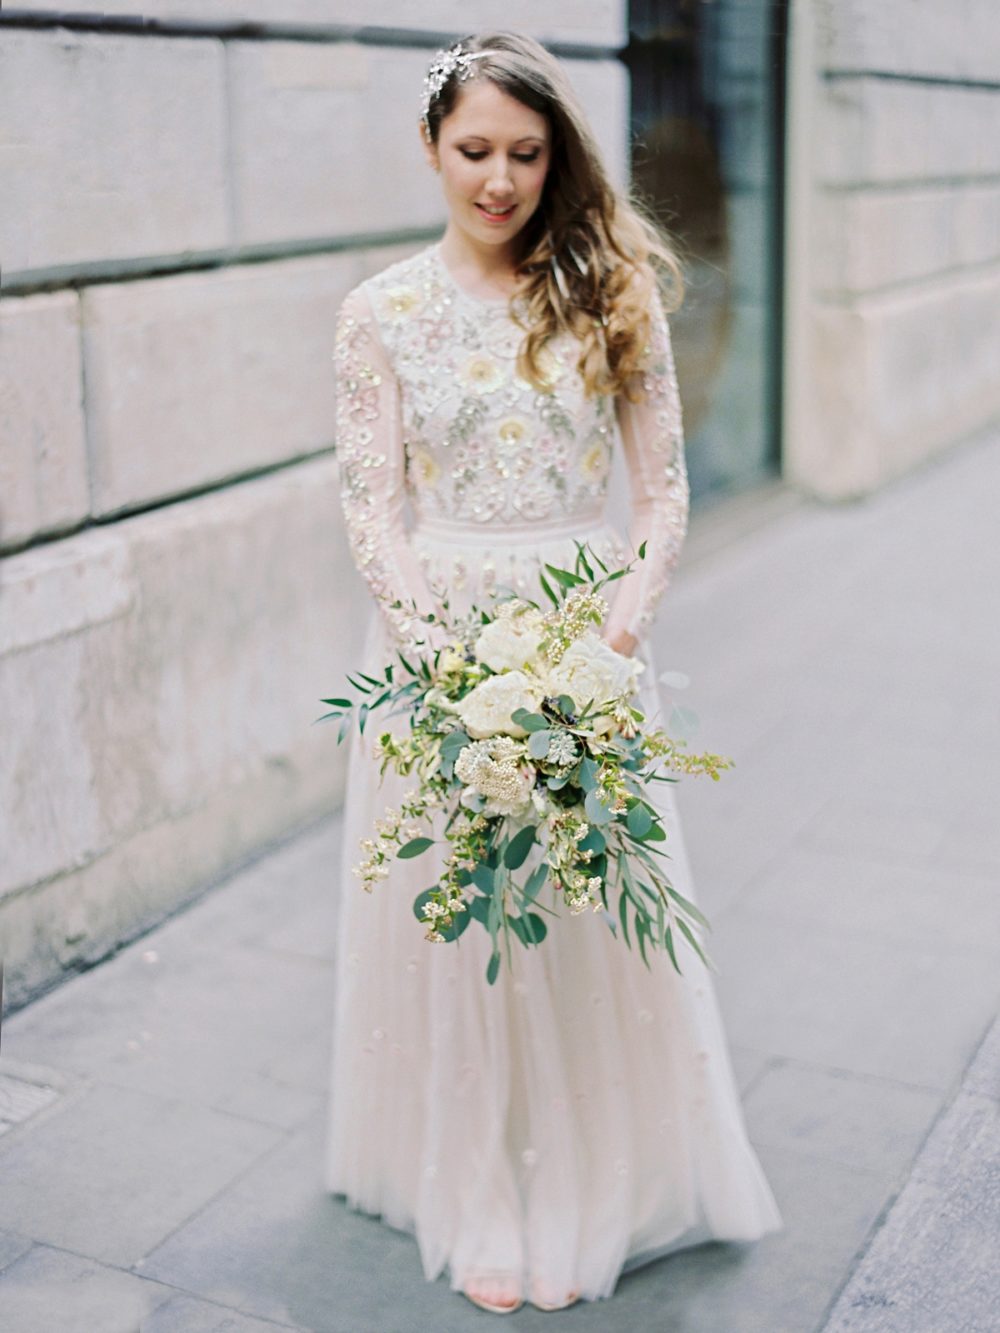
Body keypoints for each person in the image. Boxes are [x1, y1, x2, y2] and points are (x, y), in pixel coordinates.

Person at [324, 30, 782, 1315]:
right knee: (466, 922)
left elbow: (661, 494)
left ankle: (594, 1177)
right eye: (474, 149)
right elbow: (373, 510)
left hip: (584, 643)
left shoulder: (609, 292)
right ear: (430, 146)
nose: (499, 180)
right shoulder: (378, 314)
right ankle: (478, 1187)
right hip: (437, 655)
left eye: (526, 153)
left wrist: (610, 646)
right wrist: (446, 671)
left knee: (581, 916)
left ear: (556, 156)